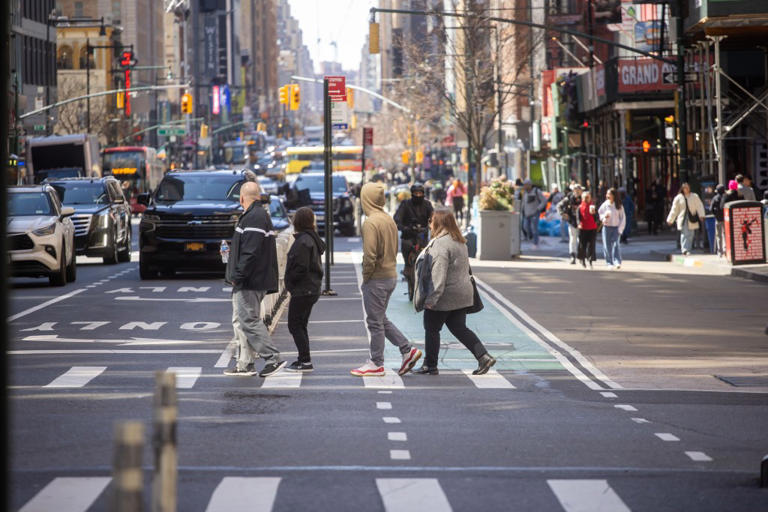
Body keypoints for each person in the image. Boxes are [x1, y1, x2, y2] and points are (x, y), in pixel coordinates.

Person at [412, 209, 496, 375]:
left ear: (438, 223)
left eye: (431, 221)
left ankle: (430, 365)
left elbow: (438, 275)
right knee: (459, 328)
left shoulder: (440, 245)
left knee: (432, 328)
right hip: (463, 294)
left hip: (445, 295)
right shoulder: (459, 241)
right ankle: (483, 356)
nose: (429, 224)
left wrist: (431, 299)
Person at [352, 183, 422, 377]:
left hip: (377, 278)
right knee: (381, 319)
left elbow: (370, 255)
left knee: (374, 322)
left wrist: (366, 278)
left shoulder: (371, 222)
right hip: (390, 275)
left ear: (366, 199)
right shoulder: (387, 219)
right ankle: (407, 350)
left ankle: (376, 363)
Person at [224, 181, 286, 377]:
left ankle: (272, 358)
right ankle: (246, 364)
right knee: (244, 320)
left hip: (249, 280)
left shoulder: (253, 217)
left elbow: (250, 252)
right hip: (253, 278)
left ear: (243, 198)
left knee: (248, 320)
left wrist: (237, 276)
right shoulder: (257, 215)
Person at [284, 207, 325, 372]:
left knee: (295, 325)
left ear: (297, 222)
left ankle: (305, 360)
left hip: (303, 289)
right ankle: (303, 359)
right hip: (311, 288)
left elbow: (300, 267)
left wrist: (291, 283)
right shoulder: (311, 238)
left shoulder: (303, 241)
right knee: (300, 324)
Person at [394, 182, 434, 265]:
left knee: (427, 257)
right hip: (408, 235)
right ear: (412, 194)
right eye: (416, 193)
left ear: (423, 194)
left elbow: (433, 217)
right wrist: (403, 227)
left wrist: (431, 226)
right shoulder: (405, 204)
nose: (418, 195)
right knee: (406, 247)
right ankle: (407, 268)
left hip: (423, 235)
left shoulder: (427, 204)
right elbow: (397, 218)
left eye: (420, 193)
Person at [666, 182, 706, 256]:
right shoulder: (678, 198)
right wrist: (670, 219)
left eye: (687, 188)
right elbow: (674, 209)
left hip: (692, 218)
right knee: (684, 234)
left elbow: (699, 206)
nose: (686, 189)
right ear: (682, 189)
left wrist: (701, 215)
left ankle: (688, 249)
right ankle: (685, 249)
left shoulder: (694, 196)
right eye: (685, 188)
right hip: (683, 218)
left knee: (691, 234)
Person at [598, 188, 626, 269]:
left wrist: (620, 229)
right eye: (607, 194)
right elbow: (600, 213)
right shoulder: (605, 205)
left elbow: (623, 218)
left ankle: (617, 261)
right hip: (606, 228)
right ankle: (609, 262)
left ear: (614, 195)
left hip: (616, 228)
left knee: (616, 245)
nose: (607, 195)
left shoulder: (619, 205)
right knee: (607, 246)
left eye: (609, 194)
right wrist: (604, 217)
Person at [557, 183, 583, 264]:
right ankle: (573, 256)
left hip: (583, 222)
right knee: (573, 239)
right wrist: (562, 214)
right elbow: (559, 205)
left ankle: (581, 256)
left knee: (581, 240)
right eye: (576, 190)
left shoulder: (584, 198)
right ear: (573, 190)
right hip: (572, 221)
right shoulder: (568, 199)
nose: (577, 192)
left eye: (579, 190)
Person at [521, 179, 546, 247]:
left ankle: (535, 242)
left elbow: (544, 201)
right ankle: (532, 237)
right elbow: (523, 203)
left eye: (526, 185)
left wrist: (538, 208)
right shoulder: (525, 193)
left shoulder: (536, 191)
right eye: (524, 185)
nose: (525, 186)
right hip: (526, 213)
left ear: (530, 185)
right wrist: (522, 210)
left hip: (535, 213)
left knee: (534, 228)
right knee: (525, 227)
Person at [577, 190, 598, 268]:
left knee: (591, 245)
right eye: (585, 197)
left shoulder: (593, 206)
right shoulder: (580, 207)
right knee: (582, 245)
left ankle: (590, 260)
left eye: (588, 197)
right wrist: (579, 223)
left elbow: (597, 218)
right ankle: (582, 259)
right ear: (582, 198)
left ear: (590, 198)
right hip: (583, 228)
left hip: (592, 228)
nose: (586, 199)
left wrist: (594, 214)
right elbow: (578, 218)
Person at [709, 184, 726, 258]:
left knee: (719, 235)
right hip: (726, 219)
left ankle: (720, 251)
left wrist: (715, 214)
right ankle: (726, 249)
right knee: (725, 234)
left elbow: (711, 209)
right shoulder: (726, 197)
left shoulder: (715, 198)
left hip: (718, 219)